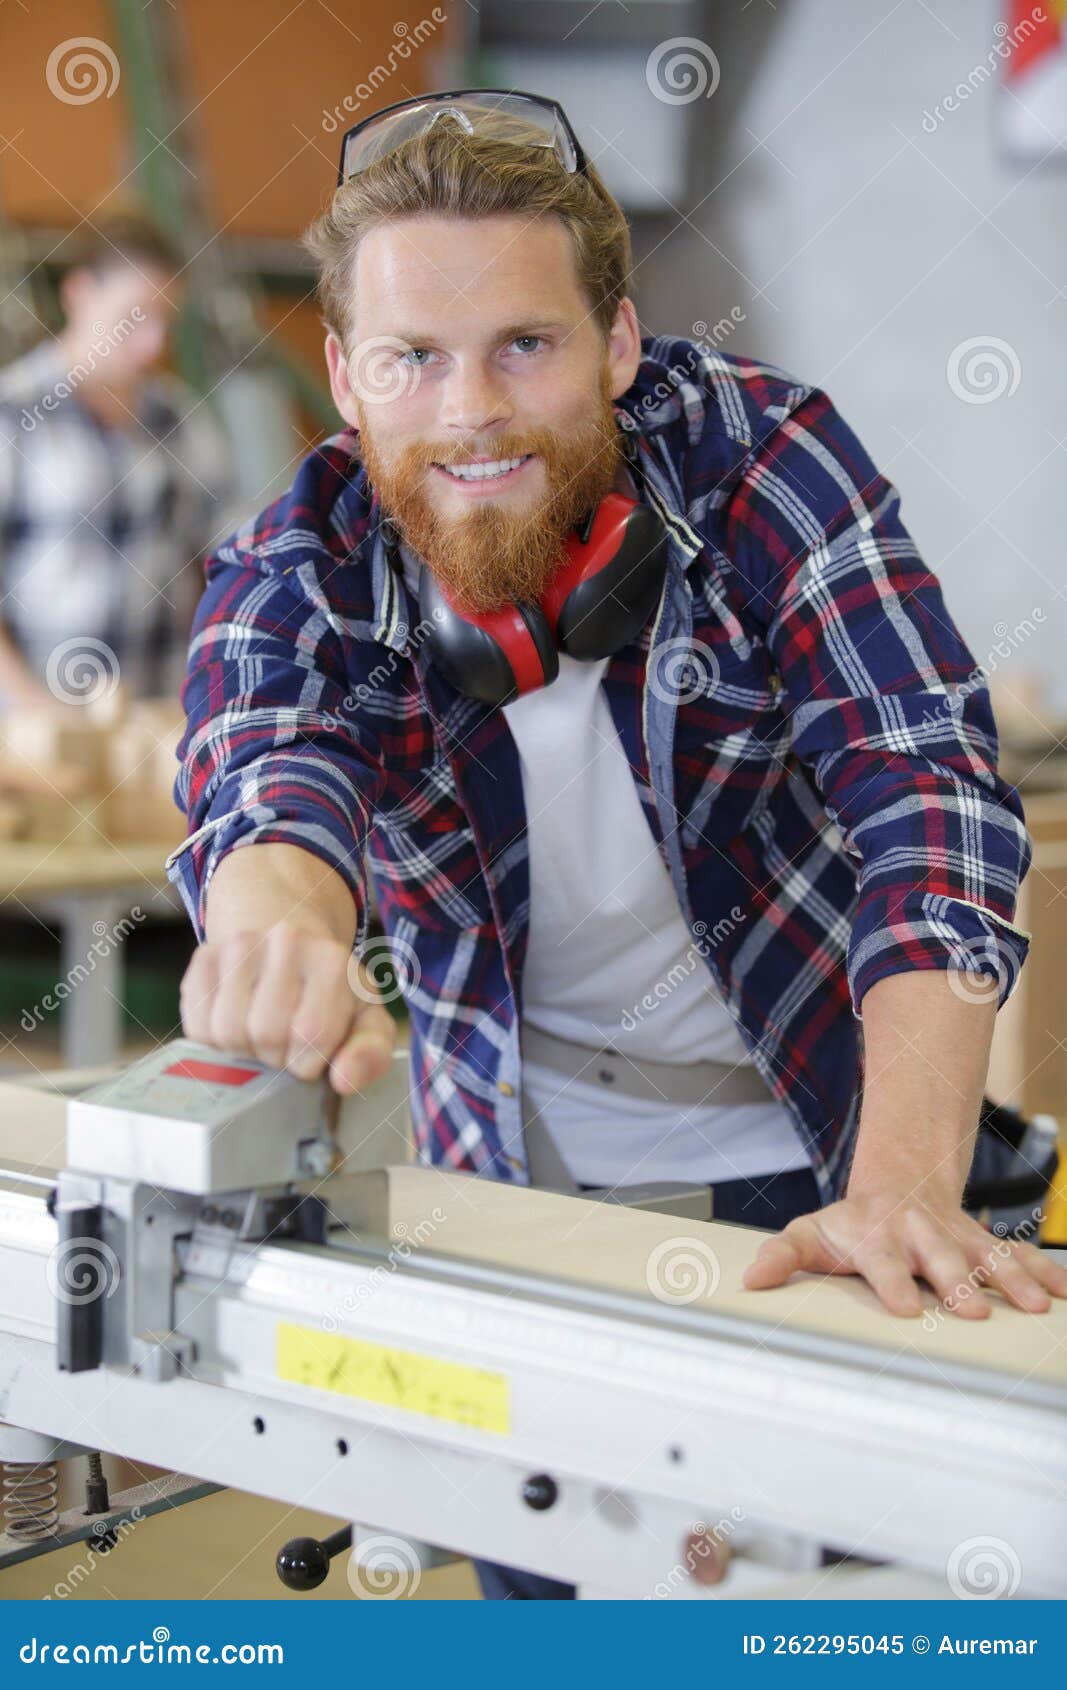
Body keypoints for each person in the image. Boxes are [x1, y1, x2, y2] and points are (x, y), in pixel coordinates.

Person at [165, 92, 1067, 1600]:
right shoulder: (296, 564)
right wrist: (280, 944)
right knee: (567, 1611)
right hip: (516, 1199)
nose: (469, 412)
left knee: (862, 1605)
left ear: (619, 343)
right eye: (411, 358)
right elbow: (265, 774)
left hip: (833, 1156)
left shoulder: (762, 459)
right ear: (342, 374)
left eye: (524, 343)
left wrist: (902, 1179)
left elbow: (928, 801)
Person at [0, 211, 234, 712]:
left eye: (164, 321)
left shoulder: (183, 421)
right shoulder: (12, 414)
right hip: (31, 728)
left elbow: (235, 556)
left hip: (154, 721)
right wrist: (34, 711)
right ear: (79, 293)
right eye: (134, 317)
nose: (152, 343)